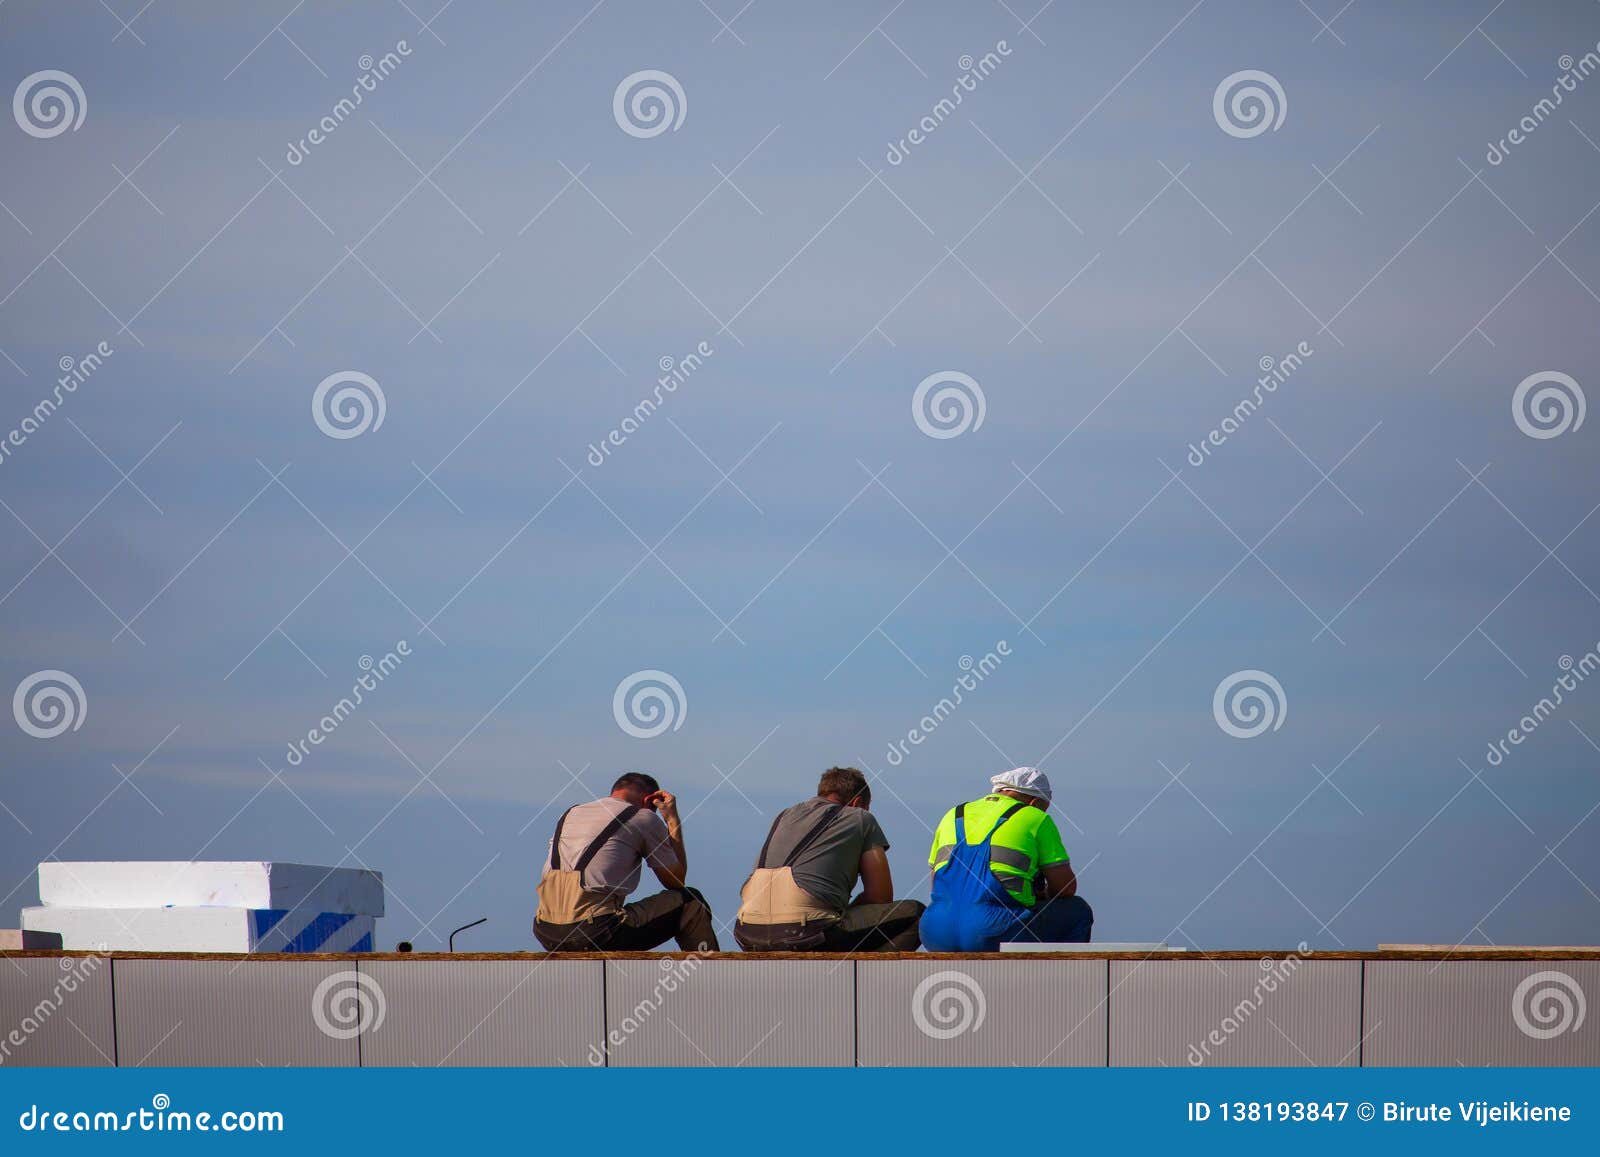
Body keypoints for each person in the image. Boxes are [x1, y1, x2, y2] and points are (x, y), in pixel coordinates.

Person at [734, 766, 924, 951]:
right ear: (857, 803)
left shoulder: (784, 815)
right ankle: (867, 981)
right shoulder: (860, 817)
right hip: (805, 932)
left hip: (748, 932)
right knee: (918, 915)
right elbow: (880, 896)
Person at [534, 771, 719, 952]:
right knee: (691, 901)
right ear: (649, 800)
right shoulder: (643, 817)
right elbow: (675, 880)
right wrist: (671, 820)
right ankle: (711, 978)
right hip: (595, 931)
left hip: (546, 931)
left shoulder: (571, 813)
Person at [919, 766, 1092, 952]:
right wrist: (1041, 895)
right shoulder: (1035, 817)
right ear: (1034, 803)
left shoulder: (953, 814)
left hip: (935, 932)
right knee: (1078, 911)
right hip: (993, 932)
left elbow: (936, 883)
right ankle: (1059, 978)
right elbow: (1065, 889)